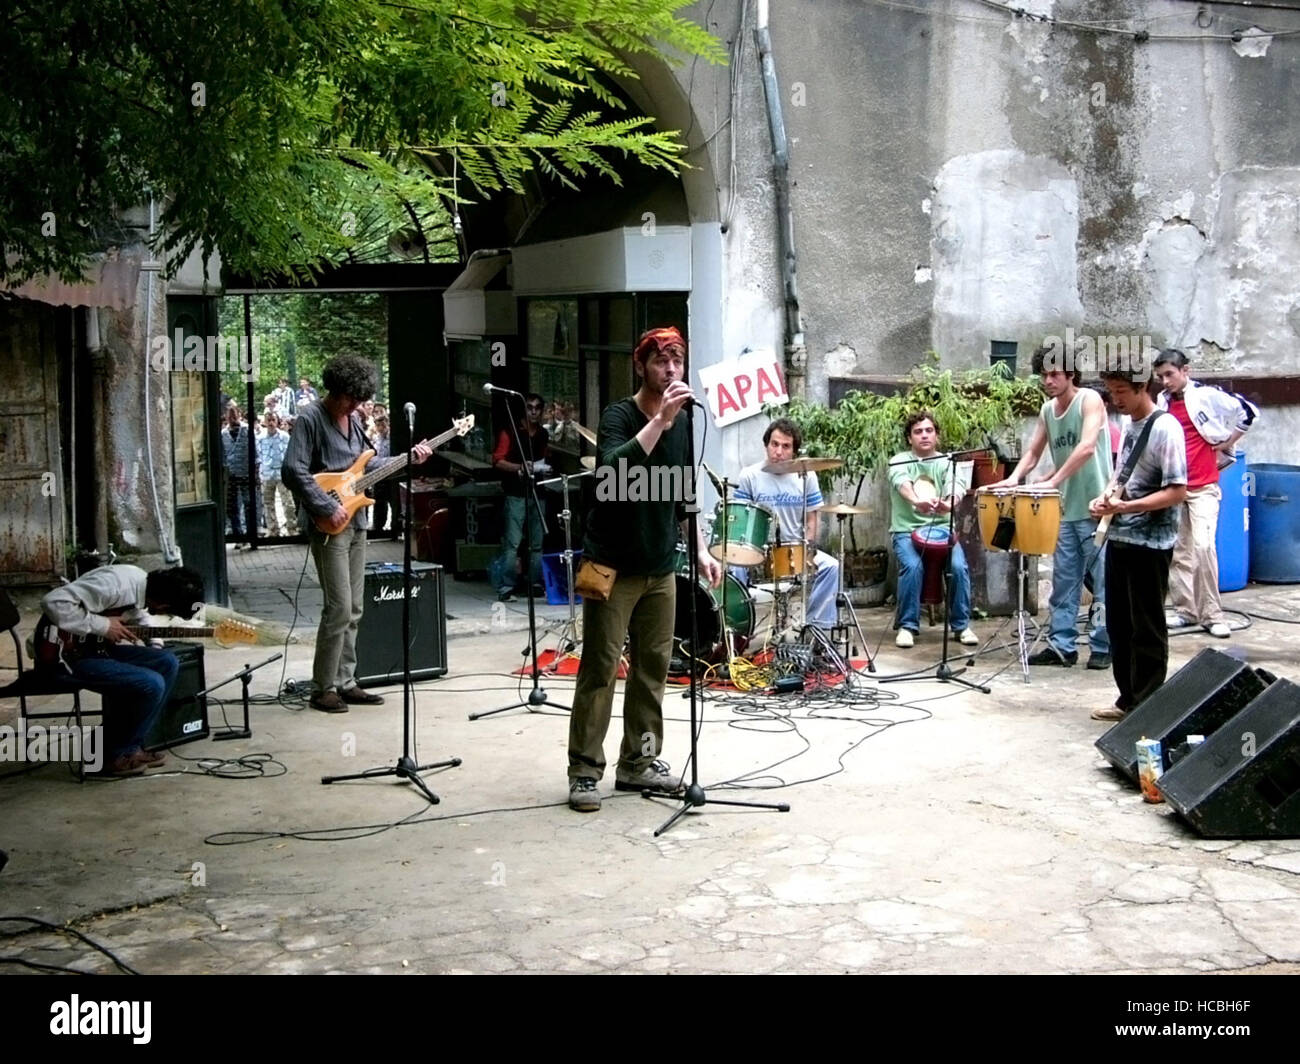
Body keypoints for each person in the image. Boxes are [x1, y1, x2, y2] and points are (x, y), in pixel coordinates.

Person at [568, 326, 720, 812]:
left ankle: (638, 762)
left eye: (676, 362)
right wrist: (660, 421)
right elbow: (611, 470)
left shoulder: (685, 423)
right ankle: (585, 772)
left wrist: (699, 549)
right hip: (611, 564)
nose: (670, 370)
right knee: (600, 669)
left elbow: (683, 491)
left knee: (653, 669)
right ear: (641, 367)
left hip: (660, 566)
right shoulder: (619, 414)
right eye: (660, 362)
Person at [281, 355, 433, 713]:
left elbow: (368, 466)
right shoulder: (310, 418)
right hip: (329, 524)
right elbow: (293, 469)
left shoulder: (356, 419)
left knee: (356, 607)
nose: (354, 405)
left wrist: (408, 458)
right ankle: (323, 687)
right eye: (349, 398)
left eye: (358, 399)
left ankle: (346, 680)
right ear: (335, 390)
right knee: (338, 607)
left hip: (357, 521)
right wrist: (324, 504)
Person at [992, 345, 1113, 669]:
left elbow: (1087, 447)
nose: (1048, 380)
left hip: (1096, 508)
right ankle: (1062, 646)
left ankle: (1103, 645)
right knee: (1064, 582)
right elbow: (1032, 453)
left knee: (1102, 583)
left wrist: (1052, 480)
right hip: (1067, 510)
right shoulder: (1048, 410)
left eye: (1054, 374)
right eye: (1043, 375)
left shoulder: (1089, 400)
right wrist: (1015, 479)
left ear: (1070, 373)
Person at [1088, 367, 1187, 722]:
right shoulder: (1130, 426)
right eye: (1111, 393)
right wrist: (1104, 500)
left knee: (1147, 624)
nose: (1116, 400)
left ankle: (1147, 703)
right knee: (1119, 623)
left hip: (1152, 541)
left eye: (1121, 393)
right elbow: (1121, 479)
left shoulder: (1166, 428)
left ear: (1142, 387)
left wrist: (1127, 507)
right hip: (1120, 535)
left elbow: (1177, 490)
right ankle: (1127, 698)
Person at [39, 564, 204, 776]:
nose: (165, 614)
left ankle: (130, 747)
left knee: (167, 662)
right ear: (162, 603)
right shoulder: (114, 586)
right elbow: (52, 602)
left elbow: (139, 616)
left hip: (95, 648)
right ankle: (105, 756)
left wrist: (154, 645)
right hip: (63, 656)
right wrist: (103, 626)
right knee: (151, 683)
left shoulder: (142, 585)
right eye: (168, 612)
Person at [1153, 349, 1259, 640]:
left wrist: (1227, 442)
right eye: (1160, 376)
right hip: (1174, 487)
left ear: (1185, 371)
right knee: (1178, 551)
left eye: (1169, 374)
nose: (1165, 381)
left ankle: (1212, 614)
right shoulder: (1162, 403)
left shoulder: (1206, 396)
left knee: (1203, 547)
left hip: (1203, 487)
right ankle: (1186, 610)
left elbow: (1248, 413)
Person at [732, 417, 838, 629]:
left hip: (794, 550)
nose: (779, 451)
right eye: (774, 444)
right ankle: (737, 629)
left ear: (794, 451)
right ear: (766, 445)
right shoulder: (750, 475)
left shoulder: (806, 476)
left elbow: (811, 518)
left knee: (831, 567)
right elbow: (740, 519)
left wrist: (807, 549)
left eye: (786, 446)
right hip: (759, 551)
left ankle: (817, 629)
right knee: (734, 569)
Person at [888, 411, 979, 649]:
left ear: (936, 435)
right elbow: (902, 483)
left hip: (941, 529)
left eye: (929, 430)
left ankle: (961, 626)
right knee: (913, 566)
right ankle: (907, 626)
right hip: (906, 531)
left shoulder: (947, 461)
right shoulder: (899, 460)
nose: (924, 435)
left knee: (958, 567)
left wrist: (949, 503)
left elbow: (956, 486)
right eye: (918, 432)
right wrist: (916, 501)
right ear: (909, 438)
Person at [490, 392, 550, 601]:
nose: (533, 412)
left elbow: (544, 455)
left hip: (538, 490)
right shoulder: (510, 431)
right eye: (529, 408)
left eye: (537, 408)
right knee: (513, 542)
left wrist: (543, 468)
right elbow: (497, 460)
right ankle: (506, 587)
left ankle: (534, 583)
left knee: (537, 543)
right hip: (516, 492)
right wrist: (519, 468)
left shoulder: (543, 434)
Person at [221, 403, 260, 538]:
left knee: (248, 502)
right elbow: (223, 455)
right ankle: (238, 534)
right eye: (229, 415)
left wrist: (255, 472)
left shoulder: (247, 430)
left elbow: (255, 453)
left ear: (238, 414)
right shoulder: (223, 434)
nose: (232, 418)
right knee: (233, 506)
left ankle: (251, 533)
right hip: (231, 474)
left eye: (234, 414)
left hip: (246, 472)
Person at [258, 412, 293, 536]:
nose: (271, 422)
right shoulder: (260, 438)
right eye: (269, 420)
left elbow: (290, 454)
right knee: (268, 504)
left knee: (288, 502)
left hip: (282, 473)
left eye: (273, 419)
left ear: (277, 421)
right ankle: (273, 530)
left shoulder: (284, 436)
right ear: (265, 422)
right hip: (267, 474)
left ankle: (292, 529)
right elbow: (259, 456)